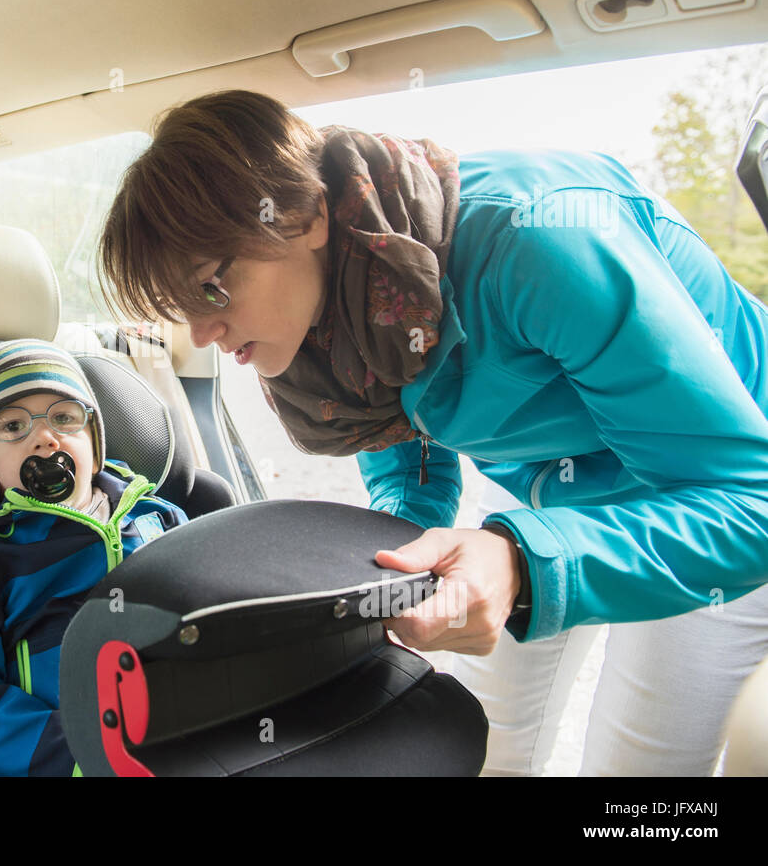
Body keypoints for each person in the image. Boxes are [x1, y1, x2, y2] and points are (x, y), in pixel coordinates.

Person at [98, 89, 768, 773]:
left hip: (715, 487)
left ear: (309, 216)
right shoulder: (327, 333)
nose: (204, 332)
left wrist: (523, 563)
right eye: (182, 307)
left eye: (212, 285)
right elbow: (409, 455)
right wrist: (372, 578)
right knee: (490, 732)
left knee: (637, 762)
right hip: (557, 486)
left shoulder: (536, 240)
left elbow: (751, 500)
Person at [0, 339, 189, 776]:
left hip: (196, 737)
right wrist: (76, 754)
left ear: (95, 447)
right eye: (11, 426)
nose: (44, 437)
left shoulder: (160, 516)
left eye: (64, 418)